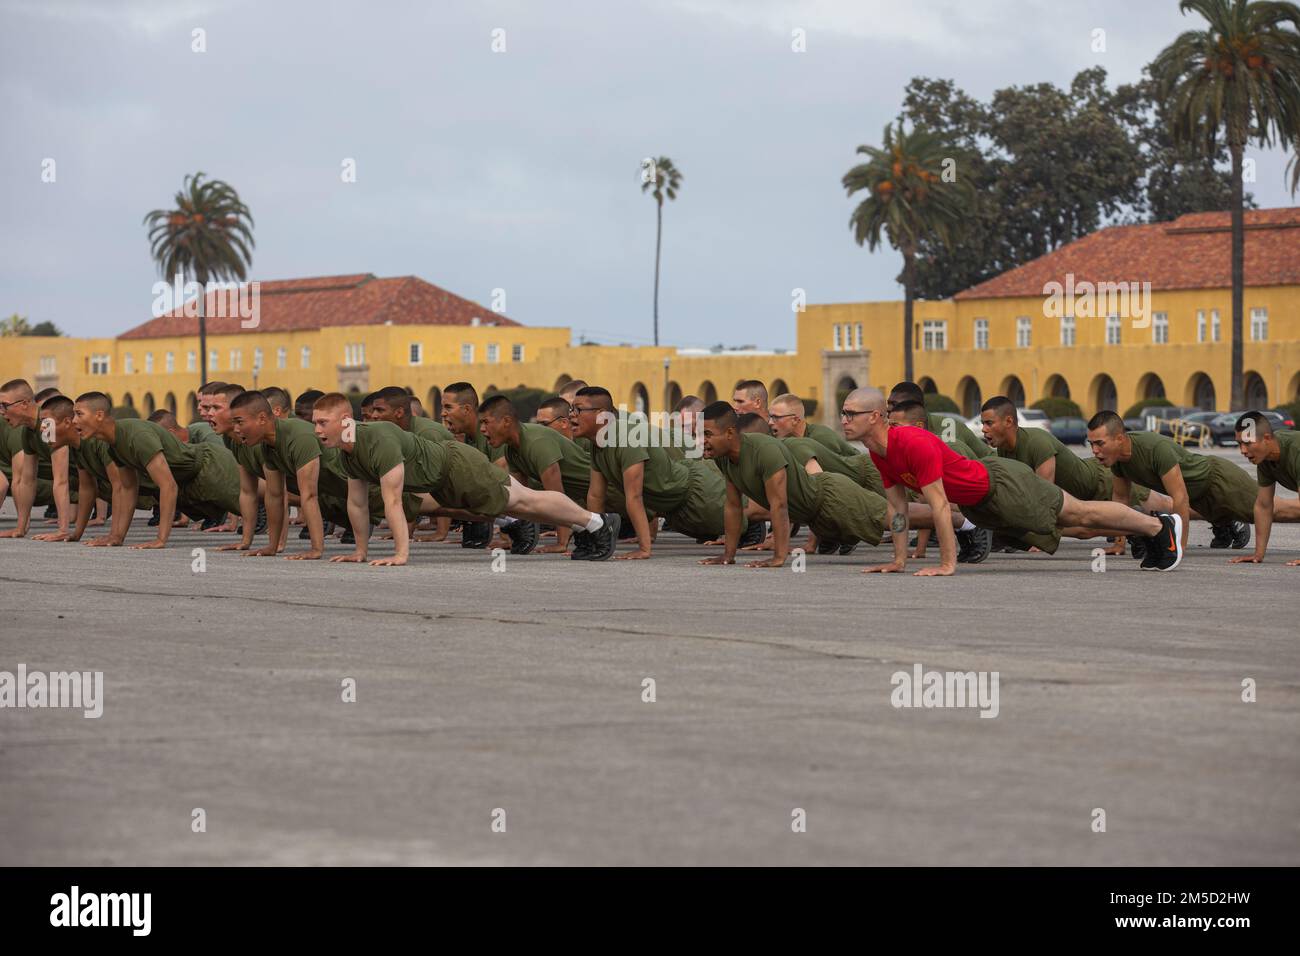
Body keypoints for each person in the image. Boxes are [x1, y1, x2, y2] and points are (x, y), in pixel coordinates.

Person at [844, 387, 1182, 575]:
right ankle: (1151, 530)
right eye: (843, 413)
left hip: (1002, 484)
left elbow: (940, 506)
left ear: (875, 417)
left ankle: (1158, 529)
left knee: (1078, 514)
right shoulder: (880, 452)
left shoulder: (911, 442)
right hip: (984, 505)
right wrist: (898, 560)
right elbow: (899, 509)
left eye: (850, 414)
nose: (844, 420)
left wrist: (947, 564)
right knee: (1073, 521)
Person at [313, 393, 620, 565]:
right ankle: (589, 524)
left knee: (524, 500)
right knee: (519, 507)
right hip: (442, 481)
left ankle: (597, 523)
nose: (316, 430)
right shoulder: (347, 452)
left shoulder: (379, 438)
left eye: (322, 423)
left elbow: (393, 499)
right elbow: (357, 503)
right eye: (314, 423)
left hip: (459, 466)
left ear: (345, 421)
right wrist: (360, 552)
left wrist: (400, 554)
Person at [569, 388, 762, 559]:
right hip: (676, 507)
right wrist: (595, 540)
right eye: (571, 409)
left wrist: (644, 549)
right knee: (731, 517)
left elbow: (634, 496)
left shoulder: (626, 438)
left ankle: (763, 523)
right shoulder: (599, 444)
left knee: (756, 509)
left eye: (578, 410)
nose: (571, 415)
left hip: (699, 493)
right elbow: (595, 495)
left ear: (601, 414)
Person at [979, 395, 1171, 558]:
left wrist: (1034, 535)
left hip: (1101, 481)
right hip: (1081, 497)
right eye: (982, 424)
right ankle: (1142, 528)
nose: (983, 429)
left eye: (989, 423)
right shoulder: (1004, 451)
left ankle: (1156, 527)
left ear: (1009, 422)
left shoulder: (1037, 441)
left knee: (1174, 507)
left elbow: (1043, 497)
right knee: (1082, 529)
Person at [699, 402, 887, 568]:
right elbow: (733, 506)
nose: (702, 441)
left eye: (707, 434)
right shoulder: (723, 458)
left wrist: (778, 557)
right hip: (814, 517)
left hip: (834, 498)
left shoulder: (765, 450)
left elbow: (779, 505)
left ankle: (916, 525)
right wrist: (728, 555)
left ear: (730, 433)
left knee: (897, 519)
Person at [73, 391, 241, 549]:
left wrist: (161, 539)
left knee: (256, 498)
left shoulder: (136, 436)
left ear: (99, 415)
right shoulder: (114, 445)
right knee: (252, 502)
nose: (74, 421)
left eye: (79, 414)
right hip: (192, 481)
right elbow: (128, 489)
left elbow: (168, 486)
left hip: (211, 467)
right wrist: (116, 536)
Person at [1087, 410, 1255, 554]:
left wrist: (1179, 546)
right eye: (1091, 444)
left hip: (1220, 480)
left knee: (1273, 511)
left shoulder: (1155, 448)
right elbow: (1121, 500)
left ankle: (1230, 519)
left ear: (1119, 439)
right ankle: (1226, 522)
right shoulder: (1117, 461)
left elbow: (1179, 497)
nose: (1094, 450)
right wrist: (1119, 544)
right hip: (1197, 496)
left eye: (1100, 443)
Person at [0, 378, 72, 540]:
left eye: (5, 405)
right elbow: (27, 481)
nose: (2, 411)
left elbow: (61, 480)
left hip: (104, 475)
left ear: (24, 404)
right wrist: (20, 528)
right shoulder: (28, 431)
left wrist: (63, 530)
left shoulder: (47, 424)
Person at [1228, 411, 1300, 566]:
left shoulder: (1296, 450)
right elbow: (1263, 506)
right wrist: (1258, 554)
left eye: (1247, 443)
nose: (1243, 450)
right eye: (1239, 443)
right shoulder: (1265, 458)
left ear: (1266, 438)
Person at [888, 381, 992, 459]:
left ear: (915, 406)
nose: (888, 408)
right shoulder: (890, 433)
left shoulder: (950, 427)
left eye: (895, 404)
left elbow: (989, 455)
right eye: (888, 403)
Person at [767, 393, 859, 457]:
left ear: (795, 420)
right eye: (770, 417)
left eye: (776, 417)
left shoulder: (821, 439)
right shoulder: (785, 440)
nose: (770, 422)